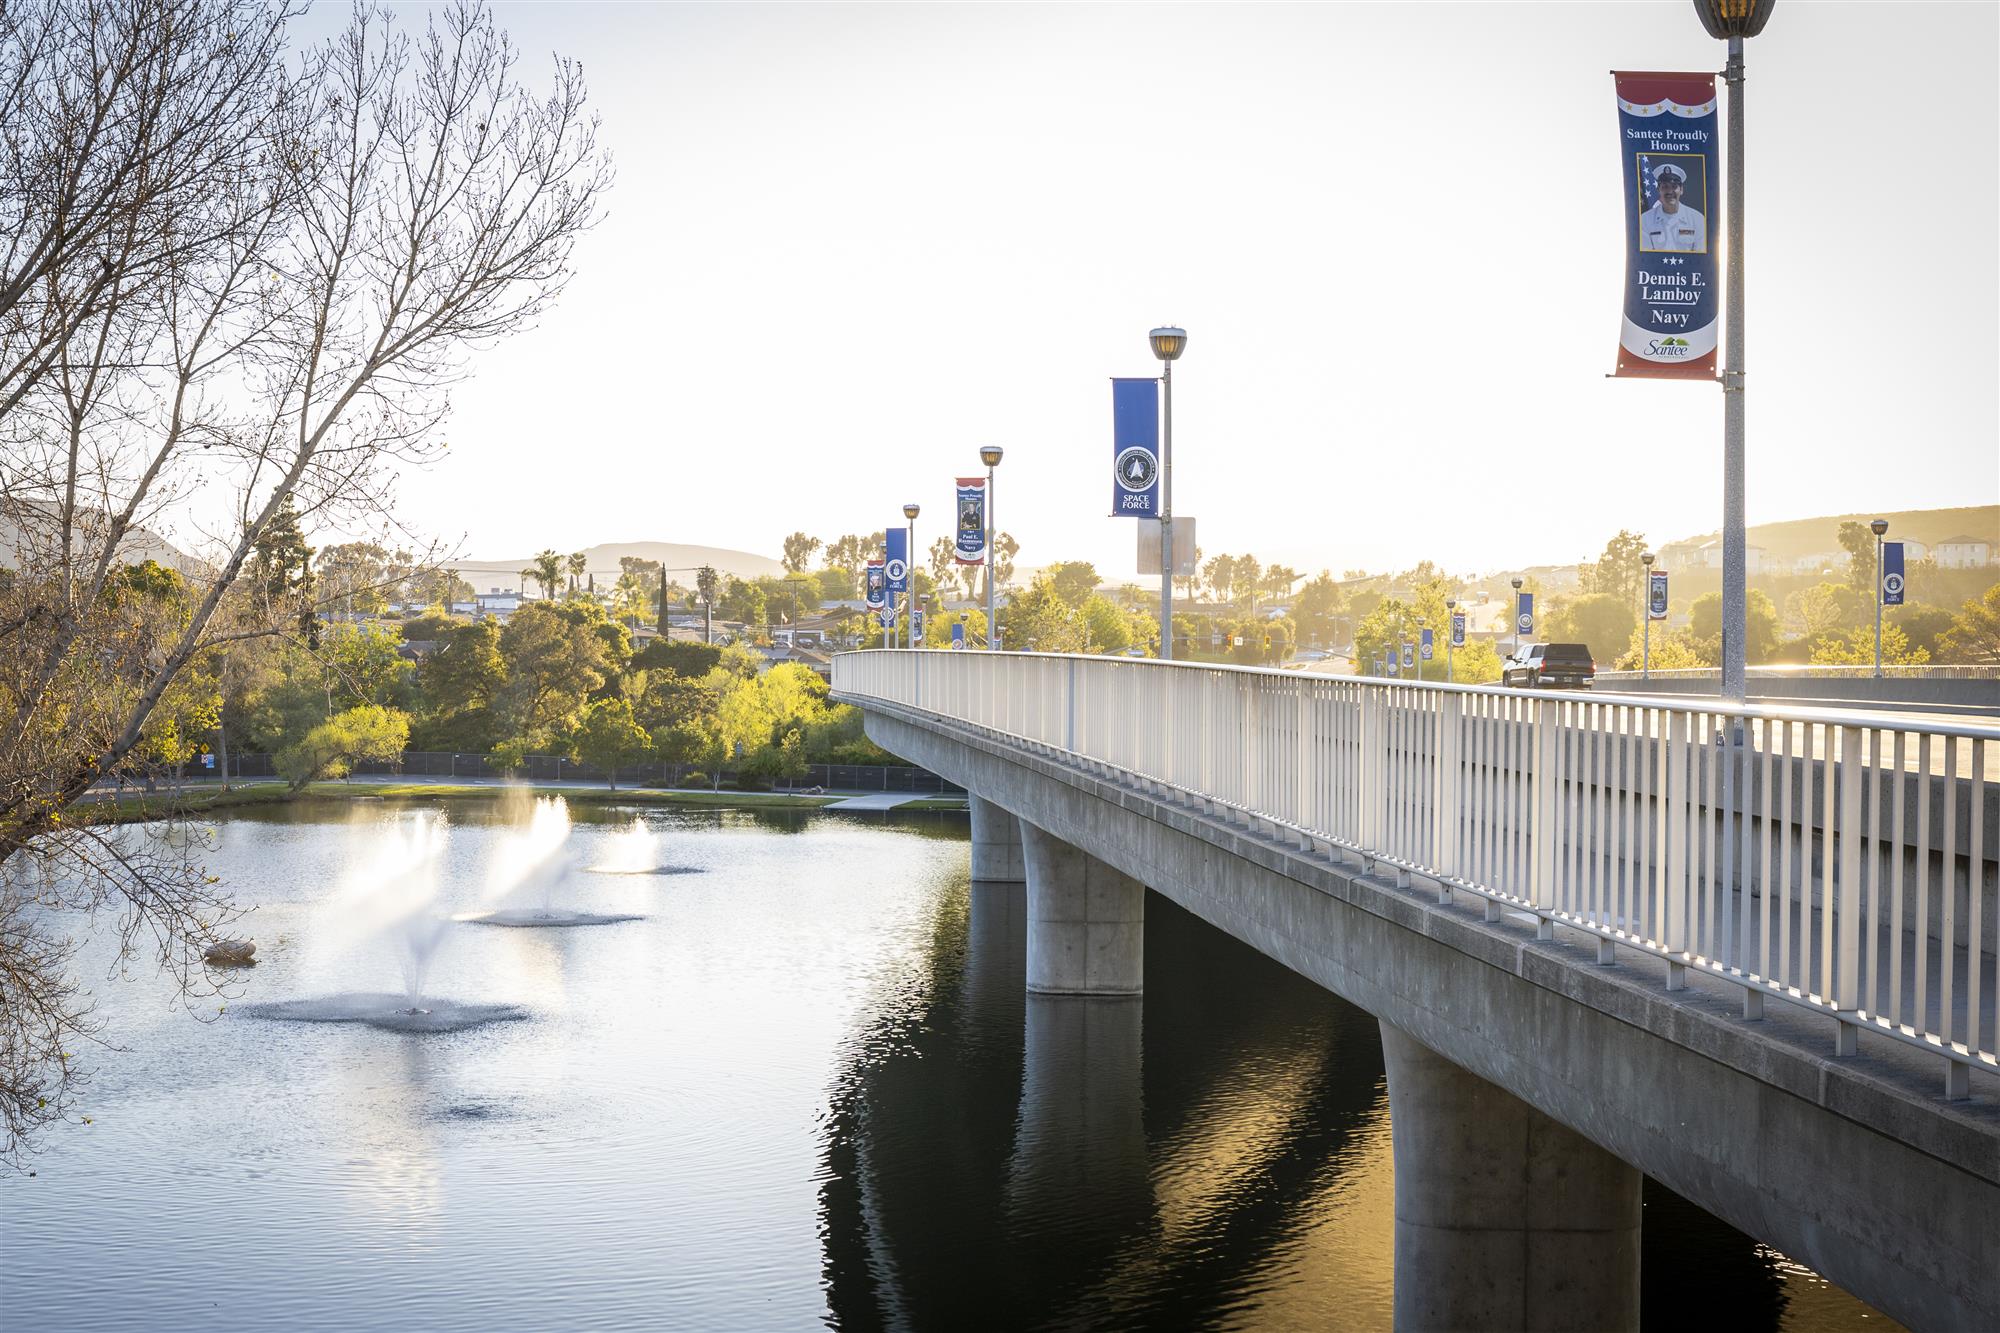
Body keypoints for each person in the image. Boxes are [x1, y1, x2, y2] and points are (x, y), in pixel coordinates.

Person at [1639, 162, 1705, 253]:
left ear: (1681, 190)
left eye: (1674, 187)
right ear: (1658, 190)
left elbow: (1701, 259)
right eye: (1665, 187)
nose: (1669, 191)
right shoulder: (1645, 220)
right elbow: (1646, 259)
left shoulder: (1697, 219)